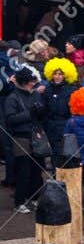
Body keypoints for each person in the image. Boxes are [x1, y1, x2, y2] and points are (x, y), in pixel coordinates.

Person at [4, 65, 44, 210]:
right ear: (23, 82)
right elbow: (10, 119)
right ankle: (19, 201)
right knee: (23, 171)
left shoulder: (36, 95)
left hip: (36, 136)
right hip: (20, 138)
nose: (33, 84)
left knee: (36, 170)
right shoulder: (12, 98)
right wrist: (31, 113)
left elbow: (41, 116)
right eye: (30, 81)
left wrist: (40, 111)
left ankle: (34, 198)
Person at [40, 57, 77, 158]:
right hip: (51, 128)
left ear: (65, 75)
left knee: (67, 157)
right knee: (54, 156)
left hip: (66, 127)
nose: (57, 77)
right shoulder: (47, 89)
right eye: (55, 74)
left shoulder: (72, 90)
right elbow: (45, 109)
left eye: (60, 74)